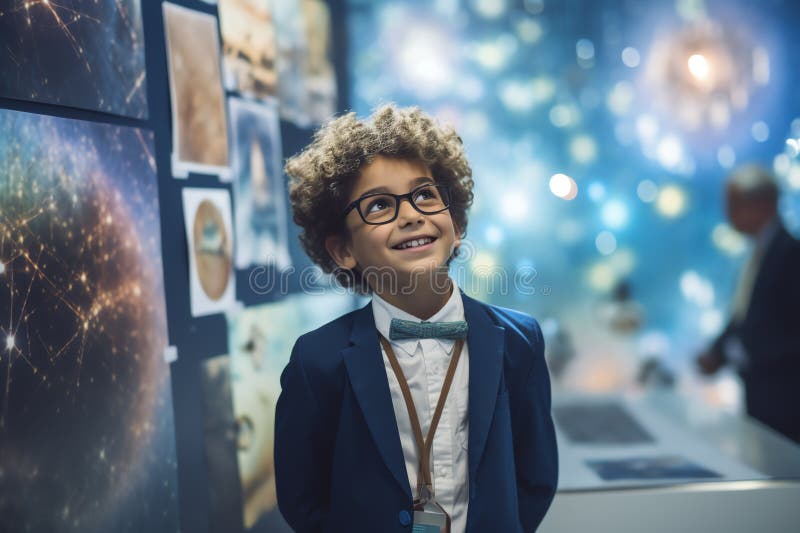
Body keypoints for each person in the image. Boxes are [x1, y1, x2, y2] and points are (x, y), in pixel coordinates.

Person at [274, 104, 558, 532]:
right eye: (379, 205)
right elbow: (303, 500)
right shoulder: (316, 361)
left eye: (425, 194)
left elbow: (535, 478)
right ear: (343, 250)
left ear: (456, 222)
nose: (410, 214)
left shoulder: (520, 340)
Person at [697, 164, 800, 444]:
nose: (728, 215)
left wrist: (738, 355)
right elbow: (742, 316)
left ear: (761, 204)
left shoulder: (791, 255)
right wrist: (717, 352)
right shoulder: (758, 253)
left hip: (785, 400)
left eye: (733, 205)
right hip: (760, 395)